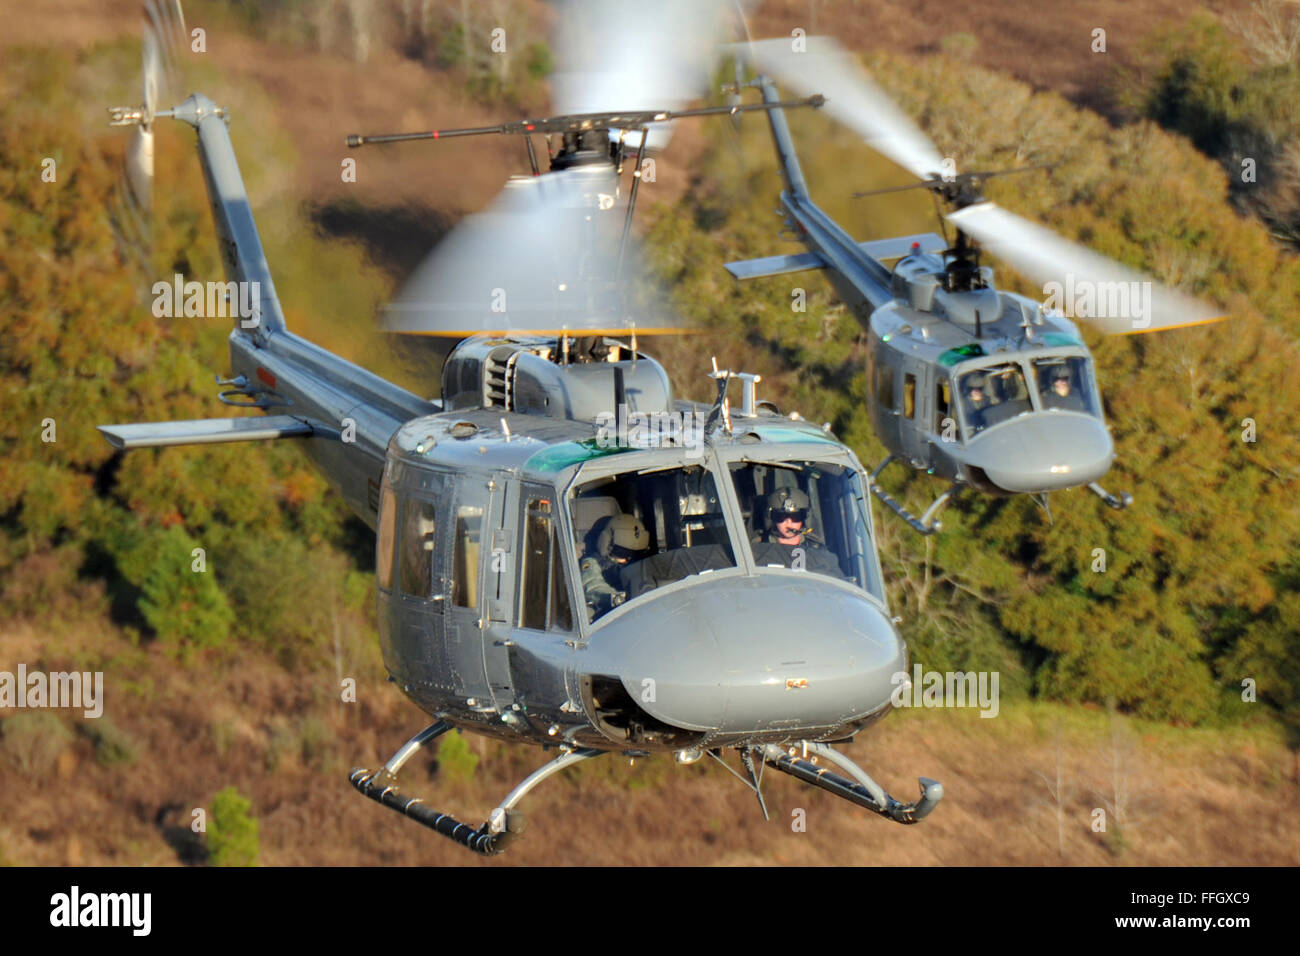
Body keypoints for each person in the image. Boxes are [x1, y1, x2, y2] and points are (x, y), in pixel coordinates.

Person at [580, 513, 649, 619]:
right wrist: (619, 598)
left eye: (633, 554)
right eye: (622, 552)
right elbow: (594, 586)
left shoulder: (634, 566)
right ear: (606, 544)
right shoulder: (591, 562)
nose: (627, 558)